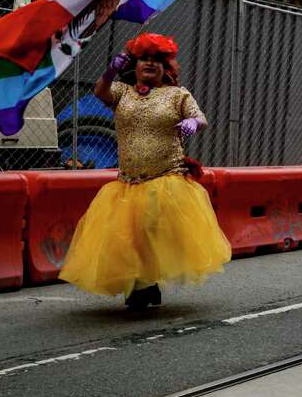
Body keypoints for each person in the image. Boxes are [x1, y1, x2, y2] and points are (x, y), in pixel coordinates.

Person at [58, 34, 231, 308]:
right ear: (135, 65)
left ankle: (145, 283)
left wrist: (191, 124)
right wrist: (111, 70)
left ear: (166, 68)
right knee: (129, 236)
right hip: (127, 181)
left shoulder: (177, 94)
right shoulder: (122, 92)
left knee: (149, 229)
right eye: (144, 59)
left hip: (166, 179)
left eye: (156, 60)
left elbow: (201, 118)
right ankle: (143, 283)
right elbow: (100, 92)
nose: (149, 64)